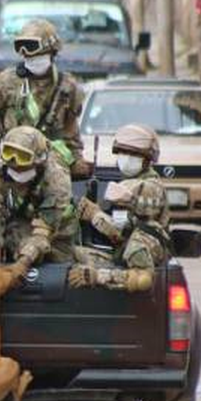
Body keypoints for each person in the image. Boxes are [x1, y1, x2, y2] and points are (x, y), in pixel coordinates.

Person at [0, 19, 89, 176]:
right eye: (25, 55)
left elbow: (71, 132)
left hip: (50, 163)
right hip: (10, 158)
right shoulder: (6, 82)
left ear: (52, 52)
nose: (29, 57)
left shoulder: (68, 87)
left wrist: (77, 160)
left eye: (36, 55)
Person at [71, 124, 170, 291]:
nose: (126, 158)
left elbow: (131, 229)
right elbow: (120, 234)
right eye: (122, 152)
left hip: (144, 265)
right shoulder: (126, 184)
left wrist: (95, 215)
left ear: (147, 159)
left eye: (134, 154)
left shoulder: (151, 187)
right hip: (120, 255)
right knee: (70, 252)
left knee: (145, 233)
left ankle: (121, 276)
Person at [0, 126, 79, 268]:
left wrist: (22, 262)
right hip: (21, 222)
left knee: (48, 254)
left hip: (57, 233)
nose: (15, 162)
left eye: (23, 156)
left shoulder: (57, 179)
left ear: (39, 159)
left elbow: (42, 234)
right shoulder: (1, 173)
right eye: (9, 153)